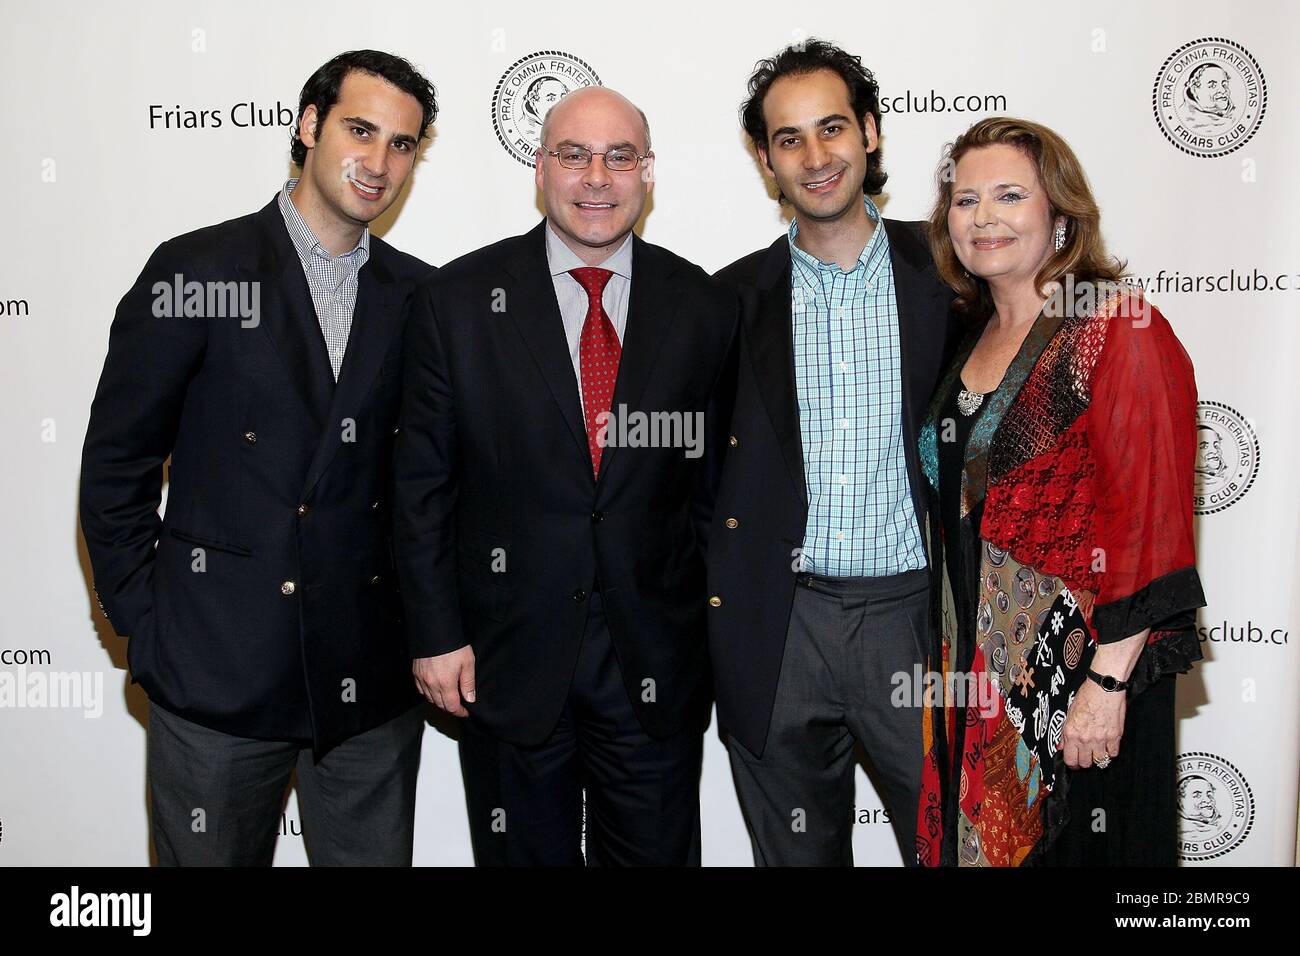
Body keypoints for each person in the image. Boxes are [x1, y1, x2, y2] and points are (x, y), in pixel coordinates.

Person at [79, 50, 438, 866]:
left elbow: (429, 487)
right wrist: (149, 624)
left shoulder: (422, 297)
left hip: (368, 688)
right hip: (216, 678)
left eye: (403, 144)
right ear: (309, 126)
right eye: (359, 130)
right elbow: (115, 467)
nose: (379, 162)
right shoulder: (198, 270)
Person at [393, 85, 737, 865]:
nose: (596, 178)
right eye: (573, 155)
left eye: (619, 157)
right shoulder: (455, 302)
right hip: (505, 665)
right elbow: (422, 489)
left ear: (647, 174)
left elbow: (717, 495)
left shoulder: (705, 306)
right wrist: (436, 634)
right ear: (540, 170)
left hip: (653, 668)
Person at [915, 116, 1206, 866]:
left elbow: (1150, 525)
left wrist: (1105, 686)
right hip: (974, 681)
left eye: (1010, 195)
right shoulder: (964, 332)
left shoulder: (1114, 328)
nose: (984, 217)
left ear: (1062, 213)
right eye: (964, 199)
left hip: (1080, 680)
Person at [707, 39, 958, 865]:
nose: (816, 158)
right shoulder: (726, 302)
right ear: (764, 159)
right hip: (779, 629)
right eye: (789, 139)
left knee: (960, 847)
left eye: (832, 128)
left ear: (872, 131)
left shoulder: (956, 276)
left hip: (920, 621)